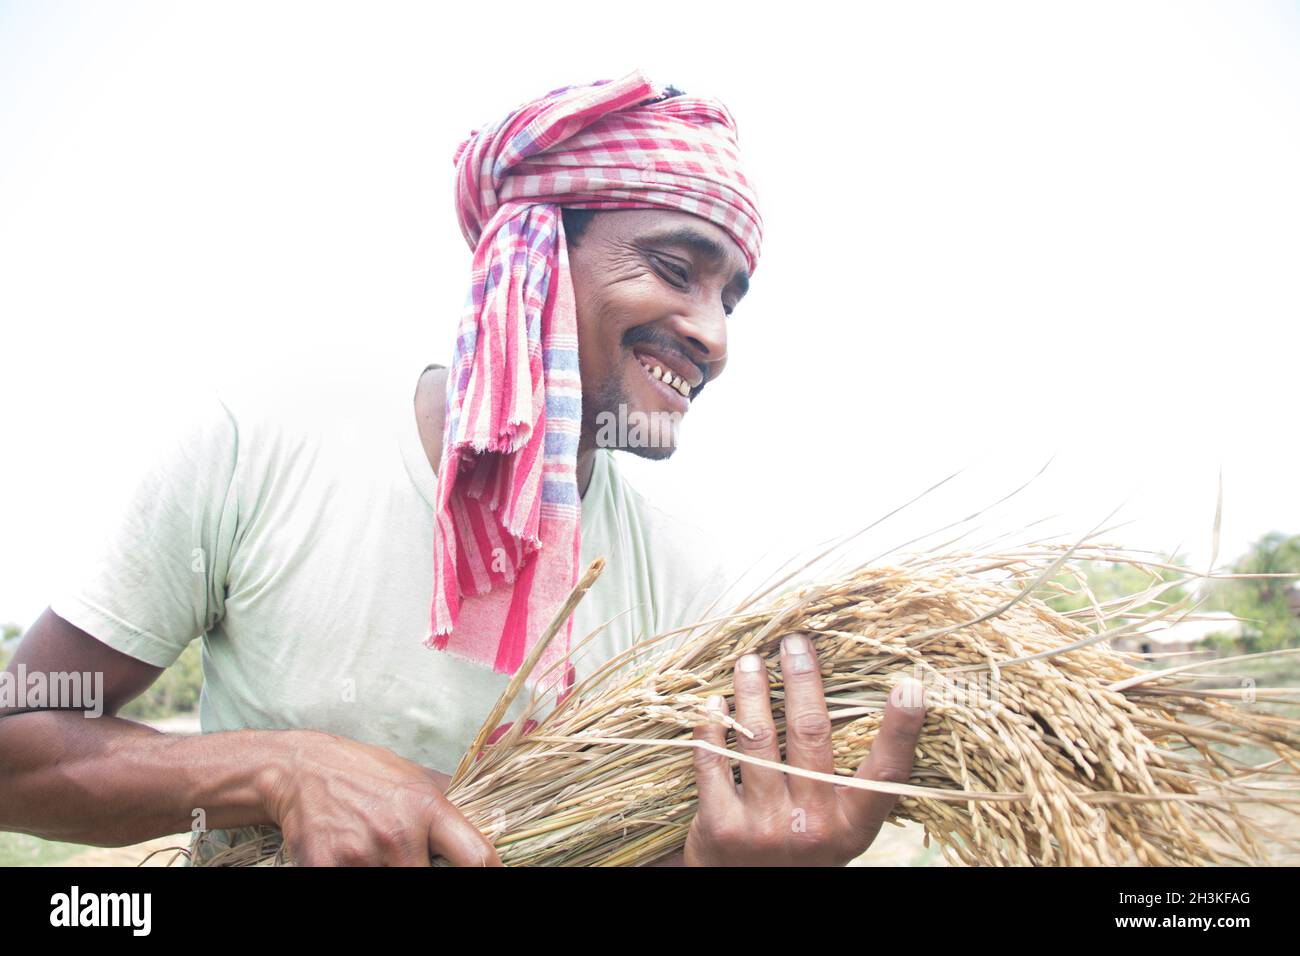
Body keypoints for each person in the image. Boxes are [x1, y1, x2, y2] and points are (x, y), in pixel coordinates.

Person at [0, 71, 925, 866]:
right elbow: (18, 744)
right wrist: (282, 769)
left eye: (732, 297)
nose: (714, 337)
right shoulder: (267, 445)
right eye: (674, 268)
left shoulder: (687, 585)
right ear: (530, 256)